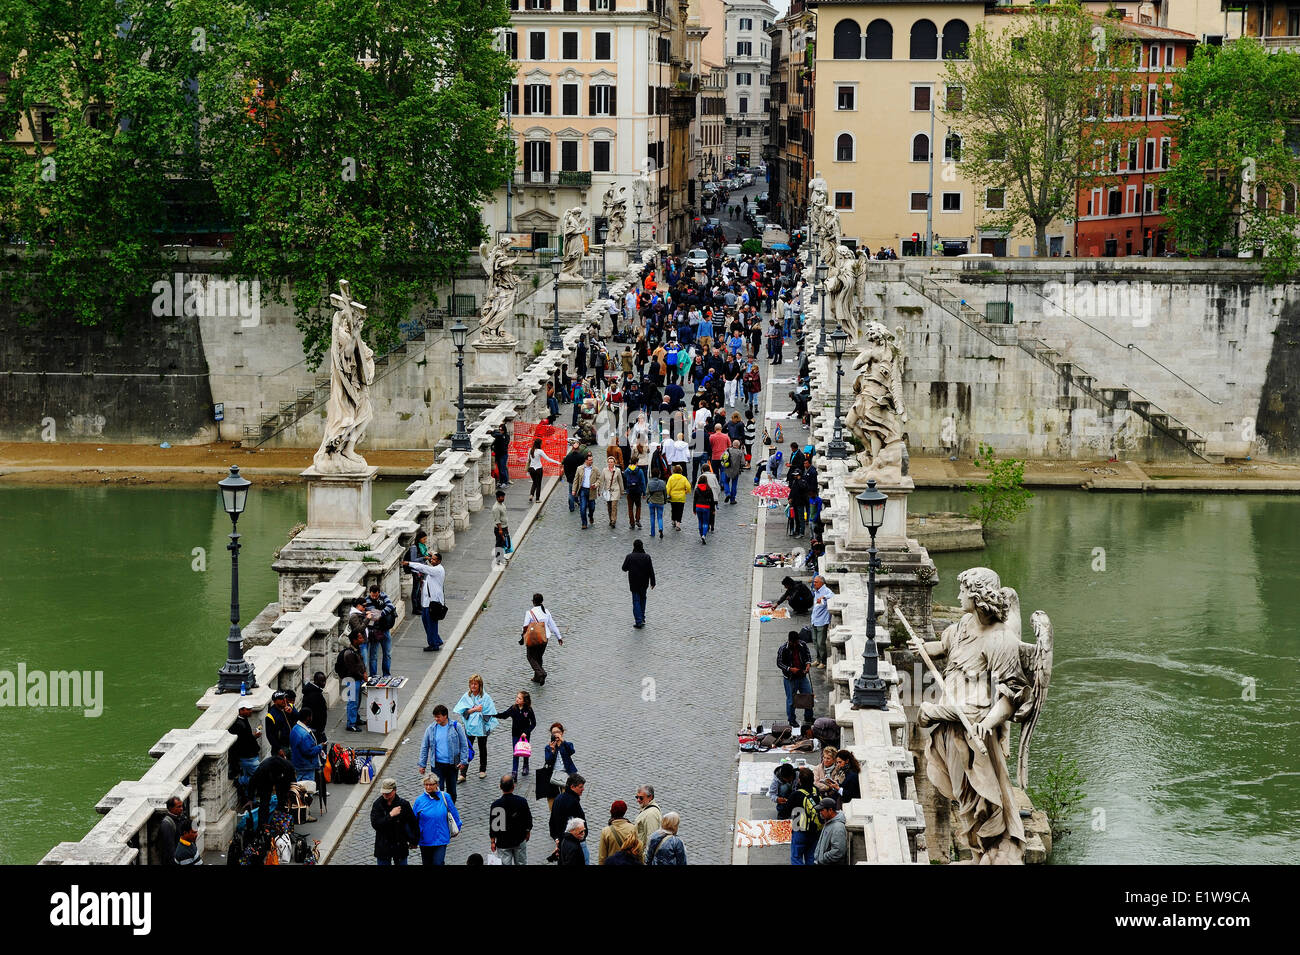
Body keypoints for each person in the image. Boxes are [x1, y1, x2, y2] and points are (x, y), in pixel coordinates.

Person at [417, 704, 469, 803]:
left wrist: (463, 761)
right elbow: (425, 747)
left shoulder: (456, 726)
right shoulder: (431, 729)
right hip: (437, 765)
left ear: (445, 716)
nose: (436, 719)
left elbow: (464, 744)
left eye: (438, 717)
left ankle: (450, 809)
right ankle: (439, 809)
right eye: (435, 717)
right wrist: (422, 764)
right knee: (437, 790)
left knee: (452, 791)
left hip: (452, 765)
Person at [410, 772, 461, 866]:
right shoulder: (419, 800)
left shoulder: (445, 797)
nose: (428, 787)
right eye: (426, 785)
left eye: (431, 785)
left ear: (437, 784)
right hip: (425, 839)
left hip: (441, 838)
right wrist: (413, 838)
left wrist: (458, 827)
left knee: (438, 862)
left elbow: (454, 814)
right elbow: (413, 820)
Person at [455, 674, 498, 781]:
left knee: (482, 748)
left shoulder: (486, 698)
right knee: (466, 749)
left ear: (480, 685)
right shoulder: (466, 696)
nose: (473, 686)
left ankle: (482, 770)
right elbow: (463, 712)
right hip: (469, 728)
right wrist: (474, 710)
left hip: (482, 728)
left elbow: (490, 712)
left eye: (475, 684)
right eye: (471, 684)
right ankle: (463, 773)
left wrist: (481, 713)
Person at [402, 552, 446, 651]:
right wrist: (424, 582)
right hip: (427, 602)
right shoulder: (434, 571)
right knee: (426, 622)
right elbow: (431, 582)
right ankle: (436, 640)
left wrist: (409, 563)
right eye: (432, 558)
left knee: (431, 624)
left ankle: (434, 644)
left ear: (439, 561)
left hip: (433, 602)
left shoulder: (437, 570)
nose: (432, 560)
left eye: (434, 559)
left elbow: (423, 568)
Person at [370, 777, 418, 866]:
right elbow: (375, 824)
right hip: (383, 845)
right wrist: (390, 815)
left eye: (388, 793)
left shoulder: (404, 804)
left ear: (394, 790)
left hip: (399, 844)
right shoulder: (377, 804)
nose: (385, 795)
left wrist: (414, 841)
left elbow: (413, 823)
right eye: (383, 792)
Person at [489, 774, 533, 865]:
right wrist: (527, 831)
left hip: (503, 842)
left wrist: (493, 841)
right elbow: (528, 819)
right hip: (519, 839)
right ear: (513, 786)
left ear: (500, 787)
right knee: (521, 863)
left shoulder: (496, 805)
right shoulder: (522, 801)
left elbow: (494, 826)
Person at [521, 593, 563, 685]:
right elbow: (552, 625)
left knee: (530, 657)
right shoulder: (546, 612)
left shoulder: (529, 613)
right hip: (544, 639)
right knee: (539, 657)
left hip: (533, 639)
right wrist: (559, 637)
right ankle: (537, 677)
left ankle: (541, 673)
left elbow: (525, 626)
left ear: (533, 602)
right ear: (542, 602)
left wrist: (522, 636)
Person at [777, 630, 814, 727]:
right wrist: (790, 669)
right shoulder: (783, 649)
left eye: (798, 641)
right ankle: (792, 719)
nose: (797, 643)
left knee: (808, 696)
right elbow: (779, 663)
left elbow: (808, 656)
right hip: (790, 678)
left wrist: (808, 665)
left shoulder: (803, 644)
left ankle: (808, 716)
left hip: (802, 676)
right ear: (790, 641)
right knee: (791, 700)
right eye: (795, 642)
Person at [247, 755, 293, 832]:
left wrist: (289, 794)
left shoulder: (288, 767)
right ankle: (262, 827)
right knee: (264, 804)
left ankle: (281, 825)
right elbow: (252, 782)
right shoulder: (262, 769)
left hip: (282, 780)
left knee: (282, 802)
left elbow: (292, 781)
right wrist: (250, 798)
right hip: (265, 780)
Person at [549, 774, 588, 863]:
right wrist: (583, 836)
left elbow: (552, 822)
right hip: (575, 842)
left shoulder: (558, 799)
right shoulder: (573, 802)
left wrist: (556, 839)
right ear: (572, 787)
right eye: (580, 787)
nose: (583, 789)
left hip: (562, 842)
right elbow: (580, 823)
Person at [539, 724, 578, 811]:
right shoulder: (548, 747)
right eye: (553, 733)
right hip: (552, 775)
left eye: (558, 732)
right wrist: (552, 751)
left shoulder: (567, 744)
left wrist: (562, 742)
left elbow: (571, 751)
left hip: (566, 775)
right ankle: (554, 818)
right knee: (552, 801)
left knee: (567, 799)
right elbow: (548, 761)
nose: (556, 734)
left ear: (562, 733)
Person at [361, 582, 396, 677]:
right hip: (374, 631)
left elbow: (391, 606)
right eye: (372, 596)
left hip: (384, 629)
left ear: (379, 593)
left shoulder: (384, 596)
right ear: (370, 593)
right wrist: (368, 614)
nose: (374, 598)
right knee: (373, 656)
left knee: (387, 654)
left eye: (376, 596)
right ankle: (373, 676)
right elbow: (363, 613)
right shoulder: (366, 601)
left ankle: (386, 674)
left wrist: (380, 614)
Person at [620, 539, 656, 628]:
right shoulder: (647, 557)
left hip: (634, 582)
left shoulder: (629, 556)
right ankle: (642, 617)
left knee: (636, 601)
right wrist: (653, 582)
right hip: (644, 582)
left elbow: (624, 568)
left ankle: (638, 620)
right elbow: (651, 570)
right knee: (643, 599)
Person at [337, 629, 368, 732]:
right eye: (360, 638)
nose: (362, 639)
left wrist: (363, 673)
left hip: (357, 679)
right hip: (352, 680)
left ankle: (356, 719)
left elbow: (359, 664)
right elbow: (353, 669)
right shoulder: (349, 653)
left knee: (357, 701)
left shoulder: (356, 649)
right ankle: (351, 724)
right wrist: (362, 675)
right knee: (353, 702)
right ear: (354, 640)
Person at [501, 690, 537, 777]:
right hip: (515, 734)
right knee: (515, 752)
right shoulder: (513, 708)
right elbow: (505, 715)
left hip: (525, 735)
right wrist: (493, 715)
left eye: (519, 698)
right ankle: (514, 771)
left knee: (525, 751)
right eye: (517, 697)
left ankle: (525, 765)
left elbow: (533, 723)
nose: (517, 699)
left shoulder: (528, 710)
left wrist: (526, 732)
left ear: (524, 701)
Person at [790, 767, 822, 866]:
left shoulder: (797, 794)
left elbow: (785, 809)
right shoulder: (816, 790)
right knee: (811, 857)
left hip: (800, 829)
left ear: (799, 780)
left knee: (796, 857)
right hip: (815, 829)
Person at [229, 699, 262, 789]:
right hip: (248, 757)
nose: (250, 711)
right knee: (260, 777)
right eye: (248, 709)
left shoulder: (243, 721)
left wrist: (254, 736)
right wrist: (254, 737)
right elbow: (243, 742)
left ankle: (251, 799)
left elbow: (246, 739)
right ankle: (240, 781)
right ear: (241, 710)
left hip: (249, 756)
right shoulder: (240, 724)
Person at [288, 708, 324, 782]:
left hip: (298, 763)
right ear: (308, 717)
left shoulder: (295, 728)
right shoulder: (304, 734)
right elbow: (309, 751)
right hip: (306, 766)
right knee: (307, 788)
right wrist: (320, 746)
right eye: (311, 716)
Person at [814, 798, 849, 865]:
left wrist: (822, 858)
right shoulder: (829, 821)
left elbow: (838, 851)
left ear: (830, 810)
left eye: (822, 810)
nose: (820, 812)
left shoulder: (838, 827)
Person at [810, 575, 834, 669]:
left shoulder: (826, 591)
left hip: (822, 621)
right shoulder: (816, 591)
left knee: (821, 642)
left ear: (821, 583)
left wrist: (823, 597)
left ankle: (823, 661)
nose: (814, 583)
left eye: (816, 582)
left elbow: (832, 595)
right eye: (814, 582)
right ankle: (818, 659)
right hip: (815, 620)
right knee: (815, 641)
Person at [633, 784, 663, 860]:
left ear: (650, 797)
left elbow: (652, 840)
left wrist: (644, 859)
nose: (638, 800)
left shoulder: (651, 815)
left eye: (641, 798)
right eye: (637, 797)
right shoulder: (647, 809)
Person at [157, 796, 189, 866]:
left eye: (181, 806)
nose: (181, 809)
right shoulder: (167, 824)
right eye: (178, 807)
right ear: (171, 808)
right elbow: (169, 849)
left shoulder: (182, 818)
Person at [526, 438, 558, 503]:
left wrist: (527, 470)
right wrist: (557, 462)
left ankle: (531, 495)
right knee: (538, 484)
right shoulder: (540, 451)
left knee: (534, 482)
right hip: (538, 469)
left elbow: (528, 459)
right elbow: (548, 459)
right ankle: (537, 499)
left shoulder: (530, 450)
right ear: (539, 444)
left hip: (531, 469)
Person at [571, 452, 598, 529]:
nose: (591, 461)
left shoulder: (595, 469)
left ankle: (591, 515)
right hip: (583, 490)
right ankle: (584, 523)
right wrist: (574, 490)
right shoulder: (580, 469)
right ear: (586, 460)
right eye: (589, 460)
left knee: (592, 507)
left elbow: (599, 479)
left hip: (591, 491)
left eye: (592, 460)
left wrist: (596, 484)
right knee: (582, 508)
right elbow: (576, 480)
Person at [597, 454, 624, 528]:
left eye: (612, 462)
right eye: (609, 462)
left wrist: (622, 490)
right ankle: (610, 519)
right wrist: (599, 491)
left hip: (616, 490)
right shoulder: (604, 470)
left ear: (614, 463)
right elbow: (601, 481)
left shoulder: (618, 471)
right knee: (609, 506)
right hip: (607, 490)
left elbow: (620, 481)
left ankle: (613, 520)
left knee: (614, 506)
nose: (610, 463)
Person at [264, 690, 292, 758]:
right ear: (274, 701)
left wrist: (291, 712)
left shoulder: (288, 706)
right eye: (281, 699)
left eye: (284, 698)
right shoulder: (271, 715)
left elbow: (298, 717)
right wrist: (278, 749)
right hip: (281, 747)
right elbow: (270, 735)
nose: (284, 700)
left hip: (291, 743)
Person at [562, 441, 586, 513]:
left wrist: (567, 476)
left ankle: (571, 507)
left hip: (571, 478)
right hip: (579, 477)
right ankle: (581, 504)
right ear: (578, 449)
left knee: (571, 493)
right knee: (580, 491)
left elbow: (565, 468)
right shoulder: (581, 457)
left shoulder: (568, 457)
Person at [665, 463, 691, 531]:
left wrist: (668, 495)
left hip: (673, 497)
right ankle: (678, 524)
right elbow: (688, 487)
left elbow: (667, 488)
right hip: (681, 497)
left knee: (673, 509)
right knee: (680, 511)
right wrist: (686, 492)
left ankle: (673, 520)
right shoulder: (683, 478)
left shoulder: (671, 478)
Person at [623, 457, 646, 529]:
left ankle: (632, 522)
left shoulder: (627, 470)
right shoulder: (640, 471)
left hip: (630, 491)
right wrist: (644, 492)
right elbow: (643, 482)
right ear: (636, 462)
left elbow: (625, 476)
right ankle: (638, 520)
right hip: (637, 491)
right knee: (638, 506)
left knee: (630, 508)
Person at [692, 472, 714, 544]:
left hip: (698, 507)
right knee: (705, 522)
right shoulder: (709, 489)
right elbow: (712, 500)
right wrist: (713, 509)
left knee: (700, 522)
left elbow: (694, 500)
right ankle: (704, 535)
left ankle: (701, 534)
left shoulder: (697, 489)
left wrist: (694, 509)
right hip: (706, 507)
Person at [645, 470, 667, 539]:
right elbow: (665, 493)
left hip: (652, 502)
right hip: (660, 502)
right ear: (659, 475)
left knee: (652, 517)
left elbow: (647, 492)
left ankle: (652, 532)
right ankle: (660, 528)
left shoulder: (650, 483)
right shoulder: (662, 483)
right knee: (660, 517)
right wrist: (665, 500)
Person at [492, 489, 512, 556]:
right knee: (499, 543)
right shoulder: (496, 508)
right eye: (502, 497)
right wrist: (500, 530)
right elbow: (497, 520)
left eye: (503, 497)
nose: (503, 498)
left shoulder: (502, 504)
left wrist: (507, 527)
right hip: (500, 529)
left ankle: (502, 556)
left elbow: (504, 516)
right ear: (497, 498)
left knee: (505, 542)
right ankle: (498, 558)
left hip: (504, 527)